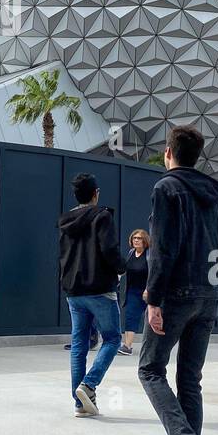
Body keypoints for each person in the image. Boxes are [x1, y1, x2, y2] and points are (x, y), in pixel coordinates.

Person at [139, 125, 218, 435]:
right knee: (189, 381)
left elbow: (163, 248)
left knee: (149, 369)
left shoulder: (165, 188)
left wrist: (153, 299)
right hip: (208, 297)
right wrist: (208, 277)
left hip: (175, 295)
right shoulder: (213, 195)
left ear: (169, 153)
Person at [58, 172, 123, 418]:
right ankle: (89, 385)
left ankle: (80, 404)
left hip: (73, 291)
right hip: (100, 289)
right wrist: (121, 268)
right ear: (95, 194)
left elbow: (62, 256)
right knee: (112, 339)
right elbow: (109, 249)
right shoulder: (102, 216)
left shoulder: (65, 221)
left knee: (79, 345)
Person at [118, 229, 150, 354]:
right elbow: (125, 269)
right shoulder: (131, 252)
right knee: (130, 317)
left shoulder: (149, 255)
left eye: (139, 238)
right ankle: (127, 346)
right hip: (133, 291)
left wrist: (148, 289)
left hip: (147, 292)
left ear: (145, 241)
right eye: (134, 238)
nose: (136, 240)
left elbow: (153, 273)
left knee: (152, 320)